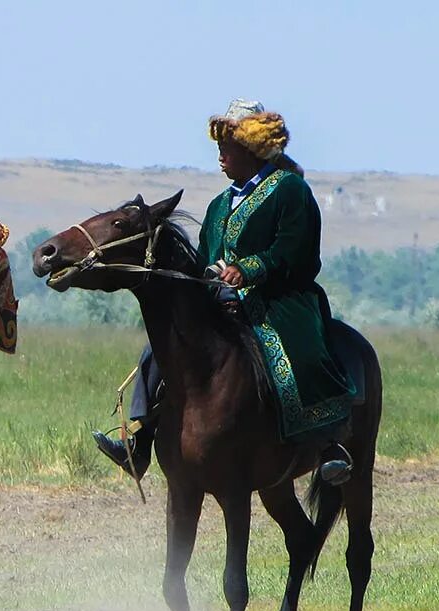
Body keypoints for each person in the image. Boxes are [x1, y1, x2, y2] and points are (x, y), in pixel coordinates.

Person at [93, 99, 355, 485]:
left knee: (296, 347)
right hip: (222, 301)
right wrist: (206, 275)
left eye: (227, 146)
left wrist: (247, 269)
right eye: (218, 146)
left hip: (280, 298)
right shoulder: (219, 204)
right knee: (162, 347)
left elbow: (293, 251)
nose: (219, 155)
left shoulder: (290, 191)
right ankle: (142, 438)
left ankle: (327, 440)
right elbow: (206, 256)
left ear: (251, 147)